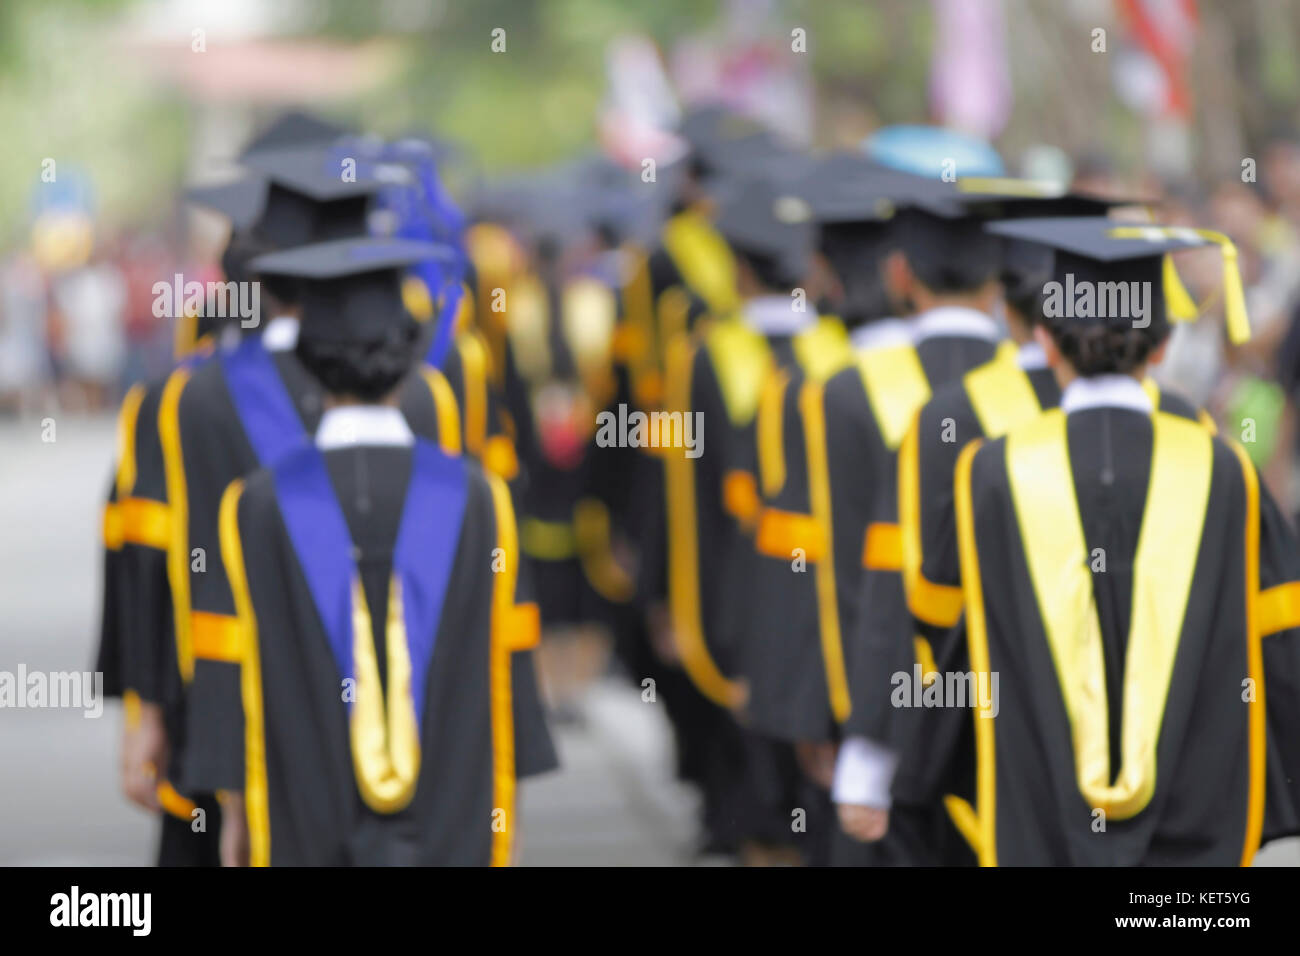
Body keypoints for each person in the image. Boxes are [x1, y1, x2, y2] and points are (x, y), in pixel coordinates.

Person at [894, 216, 1300, 864]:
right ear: (1163, 345)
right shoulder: (1225, 470)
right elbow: (1280, 639)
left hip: (1038, 813)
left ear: (1047, 341)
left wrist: (914, 774)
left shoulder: (990, 474)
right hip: (1196, 829)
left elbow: (944, 638)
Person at [197, 236, 555, 865]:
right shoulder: (477, 500)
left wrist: (236, 808)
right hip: (456, 819)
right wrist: (508, 815)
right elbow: (510, 662)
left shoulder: (257, 506)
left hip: (304, 822)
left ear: (307, 362)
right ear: (410, 359)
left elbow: (232, 667)